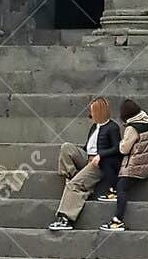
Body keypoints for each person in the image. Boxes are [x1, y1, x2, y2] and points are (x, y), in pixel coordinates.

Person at [48, 98, 120, 231]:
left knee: (73, 185)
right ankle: (72, 175)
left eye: (93, 111)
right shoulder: (94, 127)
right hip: (87, 157)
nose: (90, 114)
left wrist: (101, 155)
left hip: (98, 164)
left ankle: (65, 218)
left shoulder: (112, 127)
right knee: (66, 147)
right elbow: (88, 147)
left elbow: (117, 148)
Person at [103, 100, 148, 231]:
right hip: (147, 164)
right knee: (108, 161)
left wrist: (121, 142)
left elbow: (124, 149)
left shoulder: (132, 128)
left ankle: (118, 220)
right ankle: (113, 191)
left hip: (135, 166)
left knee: (121, 187)